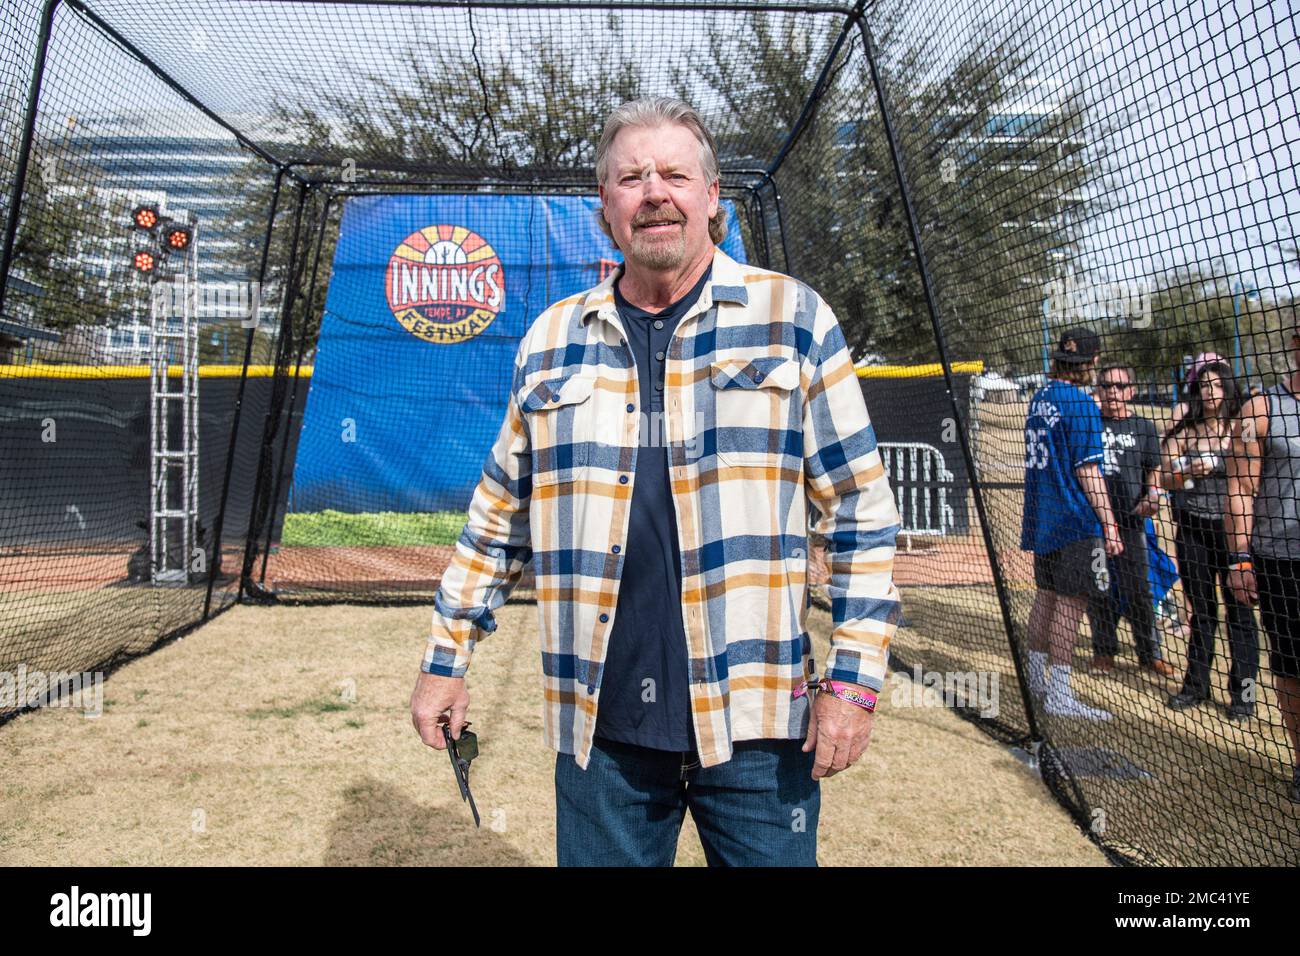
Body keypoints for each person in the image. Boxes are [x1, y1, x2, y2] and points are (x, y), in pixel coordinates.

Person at [410, 97, 903, 865]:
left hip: (758, 727)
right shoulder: (551, 341)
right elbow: (497, 521)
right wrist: (445, 663)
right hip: (600, 734)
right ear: (606, 208)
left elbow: (860, 515)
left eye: (675, 173)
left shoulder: (793, 319)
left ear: (713, 198)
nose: (654, 192)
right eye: (630, 178)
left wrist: (854, 683)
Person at [1021, 327, 1121, 720]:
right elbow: (1089, 470)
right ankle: (1059, 693)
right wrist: (1109, 524)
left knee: (1044, 597)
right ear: (1093, 362)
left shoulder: (1040, 396)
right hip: (1076, 520)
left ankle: (1035, 681)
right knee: (1070, 605)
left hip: (1043, 518)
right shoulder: (1081, 403)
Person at [1160, 356, 1259, 718]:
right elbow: (1164, 476)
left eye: (1217, 385)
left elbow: (1252, 467)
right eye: (1204, 385)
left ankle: (1243, 695)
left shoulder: (1240, 426)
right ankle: (1195, 686)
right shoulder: (1187, 427)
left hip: (1234, 534)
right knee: (1201, 611)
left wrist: (1216, 463)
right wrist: (1187, 472)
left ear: (1228, 387)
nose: (1211, 391)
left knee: (1241, 614)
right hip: (1192, 529)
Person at [1226, 320, 1300, 802]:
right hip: (1280, 558)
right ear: (1296, 345)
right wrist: (1238, 559)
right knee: (1293, 664)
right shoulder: (1263, 408)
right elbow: (1241, 487)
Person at [1086, 364, 1175, 677]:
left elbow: (1154, 470)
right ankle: (1104, 652)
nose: (1113, 392)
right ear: (1098, 389)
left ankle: (1150, 655)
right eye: (1107, 385)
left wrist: (1153, 494)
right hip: (1094, 523)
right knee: (1100, 589)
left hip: (1132, 522)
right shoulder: (1089, 424)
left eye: (1120, 387)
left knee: (1140, 590)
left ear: (1131, 391)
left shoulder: (1144, 427)